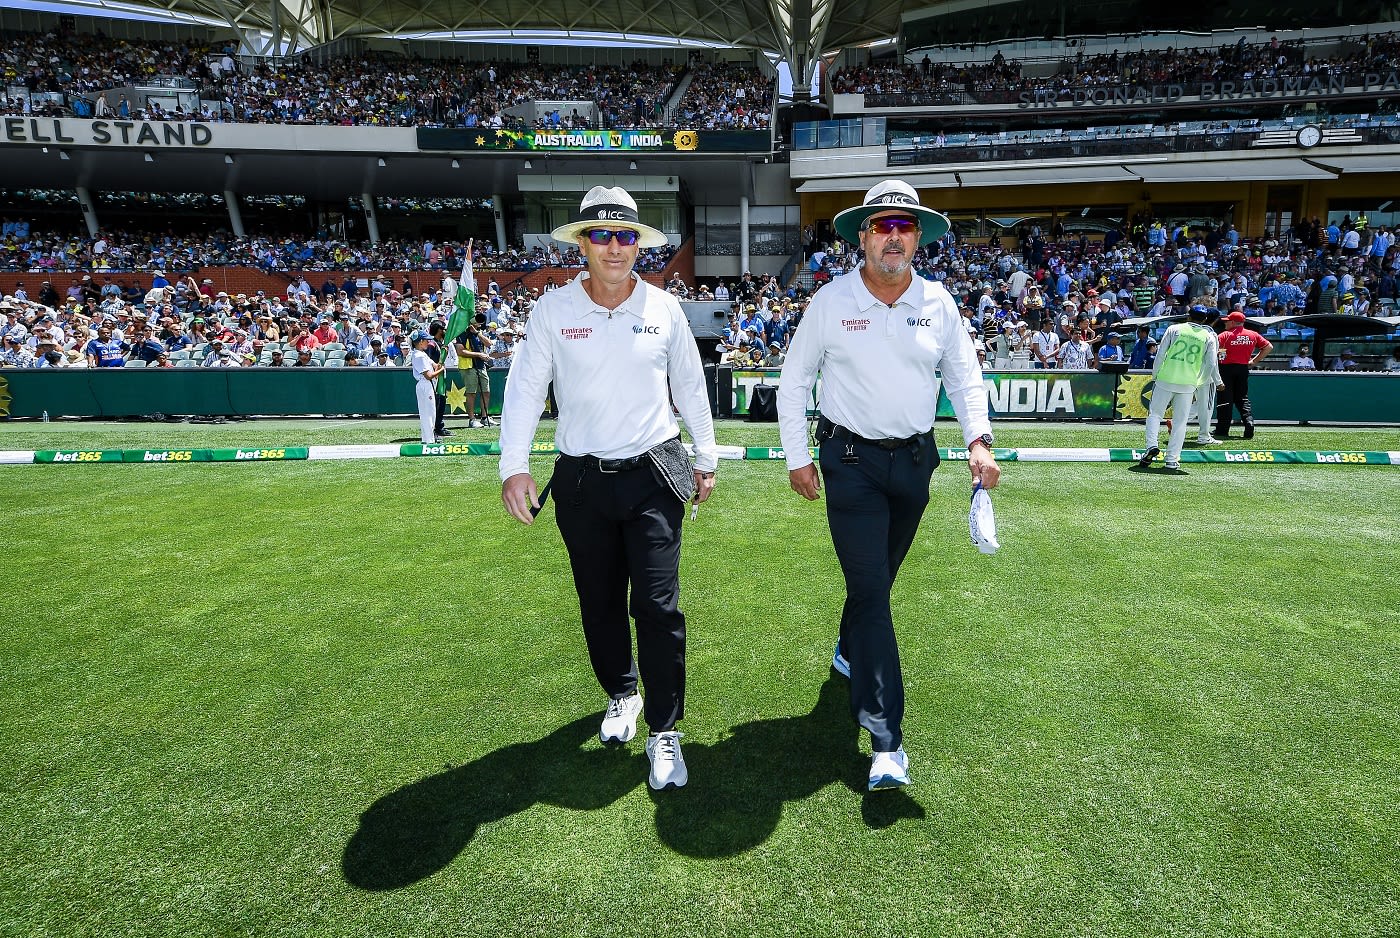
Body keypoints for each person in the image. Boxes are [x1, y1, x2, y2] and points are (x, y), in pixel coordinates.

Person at [776, 180, 999, 792]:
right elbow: (794, 382)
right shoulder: (829, 301)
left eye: (905, 225)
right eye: (883, 225)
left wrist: (978, 441)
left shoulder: (940, 303)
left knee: (877, 577)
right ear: (864, 236)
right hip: (848, 461)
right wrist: (799, 456)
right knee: (873, 590)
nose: (894, 235)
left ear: (919, 238)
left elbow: (964, 374)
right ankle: (886, 741)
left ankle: (849, 650)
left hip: (915, 464)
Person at [498, 186, 718, 792]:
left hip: (654, 473)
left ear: (639, 245)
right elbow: (523, 391)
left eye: (625, 236)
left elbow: (692, 390)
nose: (615, 247)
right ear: (582, 245)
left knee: (657, 605)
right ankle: (623, 694)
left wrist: (707, 458)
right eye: (602, 236)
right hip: (580, 478)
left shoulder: (665, 309)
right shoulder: (553, 311)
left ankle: (665, 731)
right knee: (598, 601)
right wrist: (513, 467)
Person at [1139, 306, 1223, 471]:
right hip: (1188, 383)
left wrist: (1155, 374)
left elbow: (1161, 353)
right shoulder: (1208, 336)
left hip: (1166, 379)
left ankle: (1151, 446)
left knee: (1155, 414)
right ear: (1205, 320)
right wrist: (1200, 381)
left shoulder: (1174, 328)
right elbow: (1211, 363)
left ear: (1189, 316)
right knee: (1180, 422)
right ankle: (1172, 460)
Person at [1214, 311, 1273, 440]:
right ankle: (1248, 421)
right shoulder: (1252, 334)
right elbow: (1268, 347)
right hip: (1243, 368)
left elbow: (1216, 353)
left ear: (1233, 322)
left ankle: (1222, 430)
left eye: (1227, 321)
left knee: (1225, 399)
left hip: (1225, 369)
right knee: (1242, 398)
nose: (1225, 322)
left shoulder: (1224, 335)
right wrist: (1253, 362)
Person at [409, 331, 444, 444]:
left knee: (430, 412)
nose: (428, 343)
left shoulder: (422, 354)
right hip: (425, 384)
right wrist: (441, 370)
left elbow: (435, 365)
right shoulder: (419, 356)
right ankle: (429, 439)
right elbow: (429, 376)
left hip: (427, 385)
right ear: (420, 342)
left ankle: (428, 438)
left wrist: (443, 355)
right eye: (426, 340)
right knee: (428, 413)